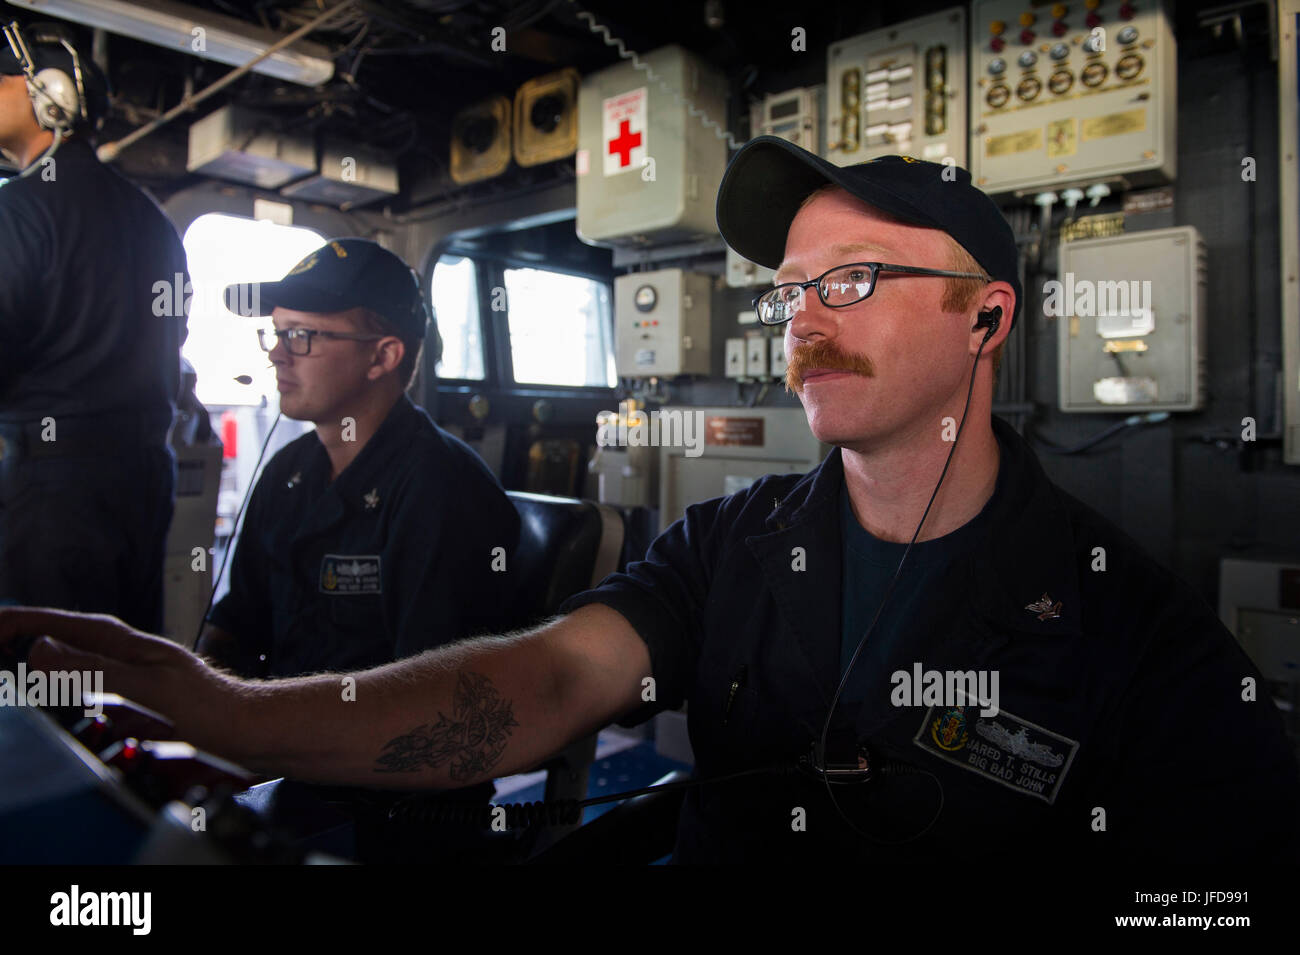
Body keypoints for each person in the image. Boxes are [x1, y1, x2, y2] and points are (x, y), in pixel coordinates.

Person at [5, 137, 1297, 867]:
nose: (803, 324)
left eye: (853, 281)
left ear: (988, 317)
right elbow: (539, 684)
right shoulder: (730, 546)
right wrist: (236, 712)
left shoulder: (1136, 628)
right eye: (793, 289)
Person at [196, 237, 521, 680]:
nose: (276, 354)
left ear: (382, 356)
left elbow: (432, 695)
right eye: (276, 333)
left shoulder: (443, 490)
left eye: (301, 336)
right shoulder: (286, 471)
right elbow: (238, 624)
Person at [0, 21, 186, 633]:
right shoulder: (153, 221)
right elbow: (173, 335)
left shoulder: (18, 211)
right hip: (144, 482)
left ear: (46, 94)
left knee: (42, 687)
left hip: (48, 492)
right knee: (120, 671)